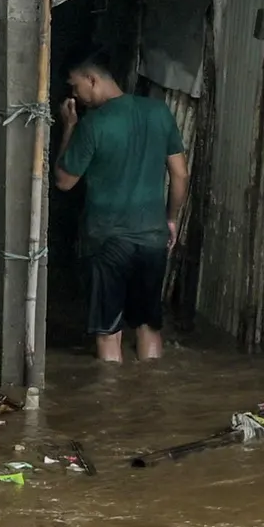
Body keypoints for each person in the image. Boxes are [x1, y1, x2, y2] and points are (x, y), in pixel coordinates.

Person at [54, 52, 186, 363]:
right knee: (148, 324)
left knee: (108, 329)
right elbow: (181, 173)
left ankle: (109, 401)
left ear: (92, 80)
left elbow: (64, 181)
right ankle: (149, 395)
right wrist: (170, 218)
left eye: (75, 86)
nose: (74, 95)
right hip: (152, 238)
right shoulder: (159, 112)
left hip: (108, 240)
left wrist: (69, 126)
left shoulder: (93, 124)